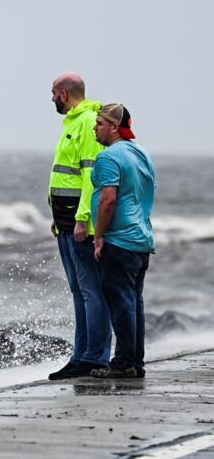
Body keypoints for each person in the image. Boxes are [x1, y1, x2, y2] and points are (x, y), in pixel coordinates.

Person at [46, 73, 111, 380]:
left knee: (90, 290)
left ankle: (95, 356)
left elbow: (90, 175)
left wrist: (82, 218)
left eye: (53, 93)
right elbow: (65, 175)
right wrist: (57, 217)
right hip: (64, 221)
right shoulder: (70, 122)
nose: (51, 99)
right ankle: (80, 355)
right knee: (77, 289)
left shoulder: (86, 122)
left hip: (78, 221)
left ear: (63, 93)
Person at [90, 103, 155, 379]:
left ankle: (124, 362)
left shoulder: (108, 157)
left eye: (99, 123)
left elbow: (108, 199)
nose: (95, 128)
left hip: (119, 240)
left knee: (121, 303)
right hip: (141, 238)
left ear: (115, 126)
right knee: (134, 302)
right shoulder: (141, 153)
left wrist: (99, 236)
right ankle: (134, 362)